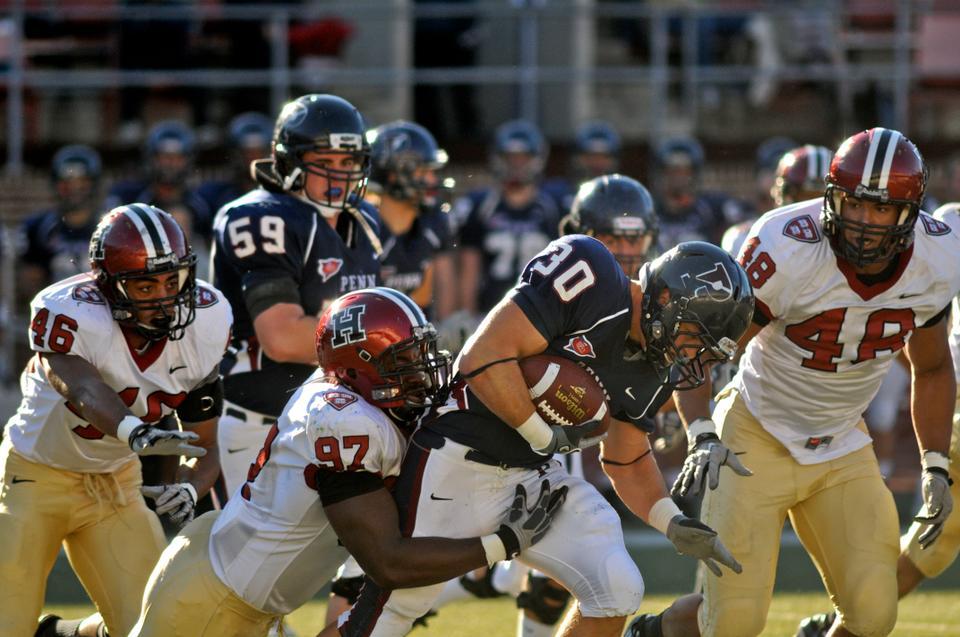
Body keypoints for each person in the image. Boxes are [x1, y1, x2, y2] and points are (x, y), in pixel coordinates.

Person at [628, 128, 960, 637]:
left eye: (879, 209)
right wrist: (701, 432)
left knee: (875, 614)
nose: (862, 222)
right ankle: (652, 633)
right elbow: (702, 349)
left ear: (909, 214)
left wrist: (935, 463)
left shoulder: (936, 256)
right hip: (755, 436)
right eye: (853, 204)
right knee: (734, 623)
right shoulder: (787, 246)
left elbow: (932, 366)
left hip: (841, 443)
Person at [331, 238, 754, 637]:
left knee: (616, 588)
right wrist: (543, 436)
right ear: (664, 298)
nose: (692, 357)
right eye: (693, 337)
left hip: (533, 475)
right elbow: (483, 357)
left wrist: (671, 521)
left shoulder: (657, 364)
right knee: (390, 614)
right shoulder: (591, 274)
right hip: (456, 457)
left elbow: (625, 457)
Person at [129, 287, 567, 636]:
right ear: (358, 370)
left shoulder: (352, 400)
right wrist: (503, 543)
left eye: (421, 354)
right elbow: (388, 561)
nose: (422, 372)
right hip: (216, 603)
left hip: (232, 580)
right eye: (404, 362)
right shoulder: (343, 421)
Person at [2, 204, 231, 637]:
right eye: (145, 285)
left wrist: (190, 487)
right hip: (34, 477)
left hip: (115, 486)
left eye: (173, 281)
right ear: (109, 286)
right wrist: (135, 431)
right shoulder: (69, 311)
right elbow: (84, 390)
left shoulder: (208, 319)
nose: (165, 298)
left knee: (158, 627)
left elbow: (206, 443)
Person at [795, 200, 960, 637]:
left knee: (935, 543)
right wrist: (926, 373)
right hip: (955, 403)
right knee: (935, 540)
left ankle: (842, 624)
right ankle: (848, 621)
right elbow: (915, 327)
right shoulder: (948, 230)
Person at [210, 93, 382, 500]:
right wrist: (382, 347)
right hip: (258, 421)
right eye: (325, 161)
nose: (339, 175)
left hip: (334, 416)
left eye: (348, 162)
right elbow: (283, 338)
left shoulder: (365, 221)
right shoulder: (261, 216)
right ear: (289, 161)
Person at [365, 120, 455, 310]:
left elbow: (423, 303)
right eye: (424, 171)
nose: (432, 179)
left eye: (432, 171)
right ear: (393, 174)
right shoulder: (361, 226)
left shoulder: (432, 222)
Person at [18, 145, 105, 304]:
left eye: (82, 182)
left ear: (94, 184)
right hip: (55, 310)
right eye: (67, 184)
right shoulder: (40, 227)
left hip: (103, 310)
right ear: (56, 184)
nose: (75, 189)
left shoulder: (109, 226)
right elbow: (29, 288)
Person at [721, 143, 833, 258]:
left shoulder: (842, 245)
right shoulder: (748, 238)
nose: (812, 208)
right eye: (804, 198)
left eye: (821, 200)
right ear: (780, 193)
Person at [652, 136, 746, 250]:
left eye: (684, 171)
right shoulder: (650, 210)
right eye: (672, 170)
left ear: (694, 174)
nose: (677, 177)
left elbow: (743, 226)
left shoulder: (712, 208)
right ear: (661, 173)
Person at [197, 111, 274, 216]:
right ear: (236, 154)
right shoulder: (217, 195)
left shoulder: (281, 196)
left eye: (258, 152)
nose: (253, 159)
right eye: (247, 152)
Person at [543, 121, 623, 213]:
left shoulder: (621, 194)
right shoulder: (556, 193)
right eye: (590, 156)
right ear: (576, 158)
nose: (597, 163)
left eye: (604, 157)